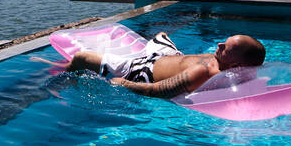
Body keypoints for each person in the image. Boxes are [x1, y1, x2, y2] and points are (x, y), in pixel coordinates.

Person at [65, 31, 266, 100]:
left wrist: (125, 85)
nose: (219, 44)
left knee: (81, 58)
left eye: (225, 48)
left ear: (235, 63)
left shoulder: (203, 73)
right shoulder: (225, 62)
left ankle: (62, 76)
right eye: (224, 41)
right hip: (169, 56)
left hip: (140, 69)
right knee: (161, 35)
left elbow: (160, 90)